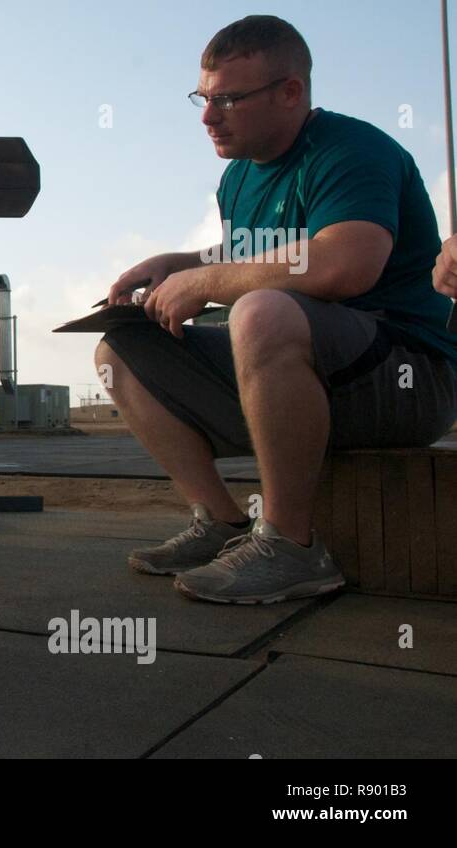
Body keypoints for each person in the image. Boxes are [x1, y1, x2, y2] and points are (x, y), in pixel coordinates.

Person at [96, 15, 455, 604]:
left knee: (262, 311)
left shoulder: (354, 150)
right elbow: (262, 255)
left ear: (291, 92)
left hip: (407, 377)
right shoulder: (237, 178)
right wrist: (181, 261)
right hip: (316, 374)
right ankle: (220, 522)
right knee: (123, 349)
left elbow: (344, 264)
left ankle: (292, 545)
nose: (208, 117)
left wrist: (207, 279)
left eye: (229, 100)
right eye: (203, 99)